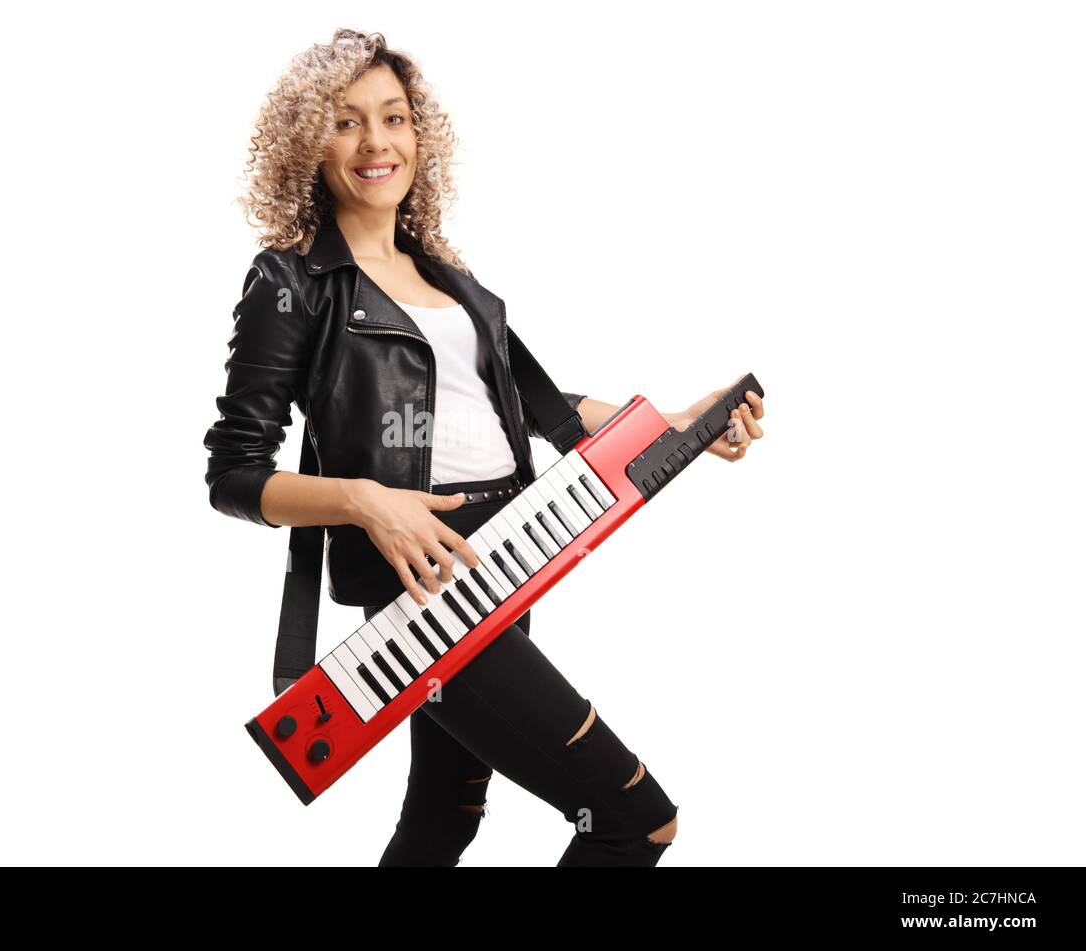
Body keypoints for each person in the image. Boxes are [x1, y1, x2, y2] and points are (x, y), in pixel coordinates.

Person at [204, 29, 765, 866]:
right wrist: (365, 499)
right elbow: (236, 473)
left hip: (514, 555)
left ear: (419, 136)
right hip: (420, 586)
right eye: (346, 121)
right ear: (306, 142)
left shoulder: (453, 282)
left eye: (393, 118)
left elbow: (533, 408)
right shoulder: (289, 281)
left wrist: (683, 425)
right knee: (635, 819)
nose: (375, 142)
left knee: (444, 816)